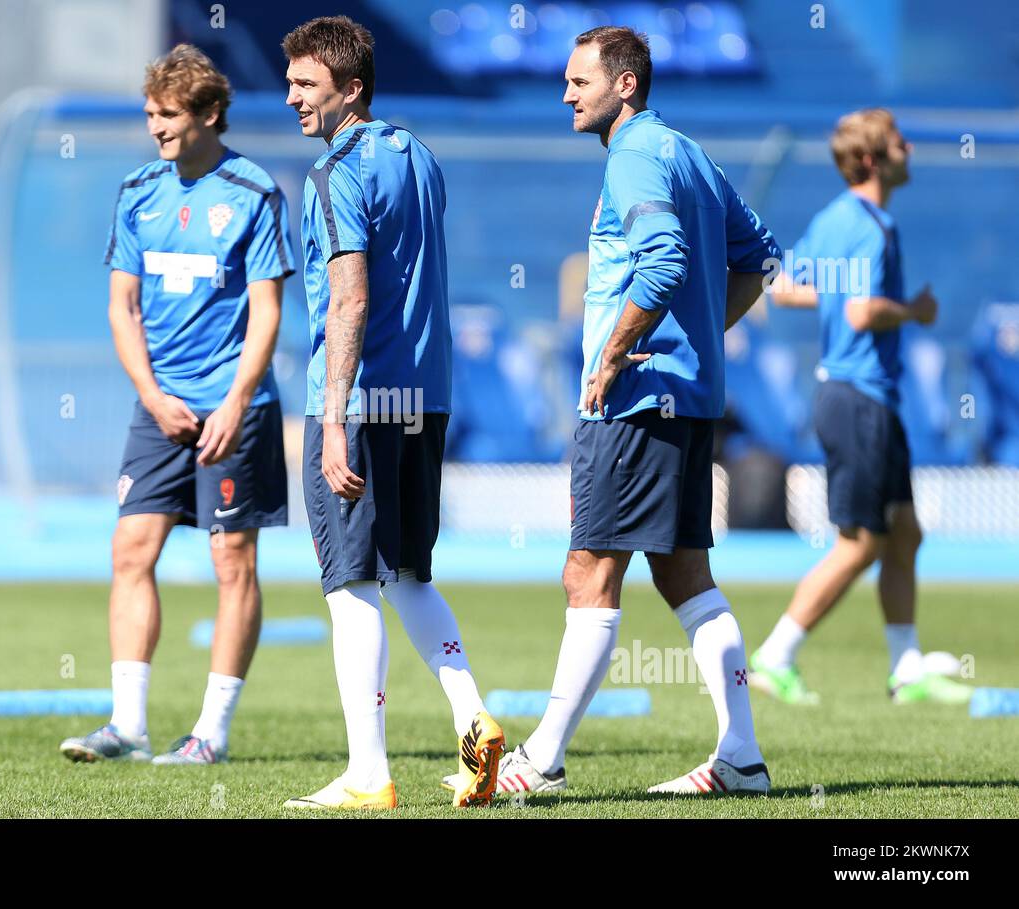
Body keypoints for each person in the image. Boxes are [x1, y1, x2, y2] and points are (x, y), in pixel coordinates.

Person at [490, 26, 781, 797]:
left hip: (638, 398)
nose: (565, 93)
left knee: (588, 568)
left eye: (579, 81)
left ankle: (542, 759)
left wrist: (617, 351)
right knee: (686, 575)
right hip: (684, 397)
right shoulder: (688, 152)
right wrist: (697, 337)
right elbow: (758, 259)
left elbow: (664, 260)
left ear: (624, 85)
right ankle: (742, 756)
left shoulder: (635, 156)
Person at [278, 16, 504, 810]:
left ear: (352, 89)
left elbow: (350, 296)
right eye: (292, 82)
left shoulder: (335, 171)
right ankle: (474, 717)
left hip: (363, 401)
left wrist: (331, 418)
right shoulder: (420, 156)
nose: (293, 97)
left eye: (308, 84)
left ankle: (368, 772)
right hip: (424, 399)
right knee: (408, 573)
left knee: (351, 586)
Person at [60, 44, 294, 764]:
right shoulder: (138, 192)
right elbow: (120, 307)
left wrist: (236, 401)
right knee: (130, 548)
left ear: (210, 115)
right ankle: (127, 726)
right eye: (149, 115)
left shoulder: (253, 194)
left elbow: (266, 314)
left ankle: (210, 733)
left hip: (235, 410)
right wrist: (153, 397)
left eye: (167, 116)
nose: (155, 129)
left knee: (232, 562)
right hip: (160, 410)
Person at [752, 108, 971, 706]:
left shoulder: (835, 219)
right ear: (874, 158)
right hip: (859, 399)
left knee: (904, 533)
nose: (910, 151)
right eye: (900, 143)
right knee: (861, 543)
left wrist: (846, 291)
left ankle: (907, 670)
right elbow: (861, 311)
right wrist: (914, 311)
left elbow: (786, 286)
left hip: (865, 398)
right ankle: (776, 656)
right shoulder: (872, 229)